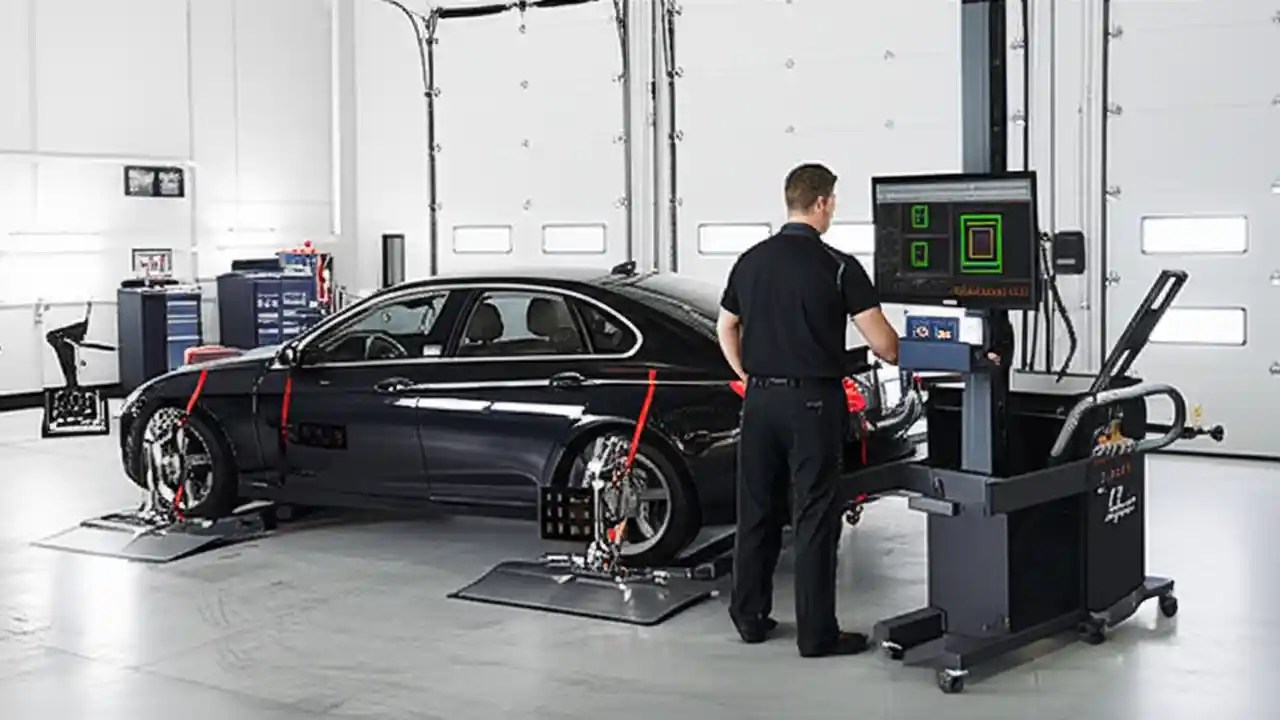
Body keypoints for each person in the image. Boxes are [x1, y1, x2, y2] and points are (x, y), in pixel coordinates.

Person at [717, 163, 900, 658]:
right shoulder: (839, 265)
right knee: (815, 515)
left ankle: (749, 618)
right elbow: (884, 345)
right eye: (833, 201)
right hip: (813, 403)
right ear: (823, 203)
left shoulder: (750, 261)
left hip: (759, 403)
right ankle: (816, 633)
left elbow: (725, 327)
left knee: (755, 509)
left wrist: (748, 376)